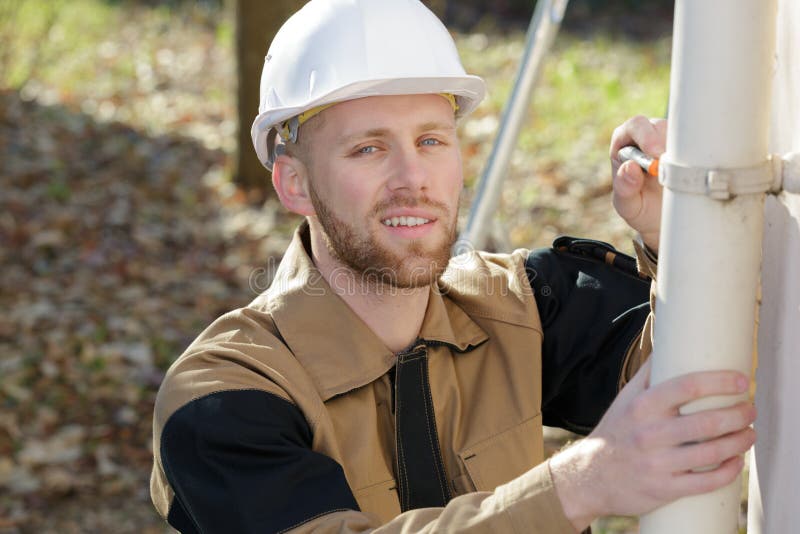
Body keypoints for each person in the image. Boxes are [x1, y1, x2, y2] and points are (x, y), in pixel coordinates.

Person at [149, 1, 756, 532]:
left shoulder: (522, 306)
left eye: (432, 140)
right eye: (369, 148)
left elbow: (712, 379)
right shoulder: (223, 395)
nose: (413, 180)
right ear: (294, 184)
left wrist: (675, 237)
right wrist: (584, 482)